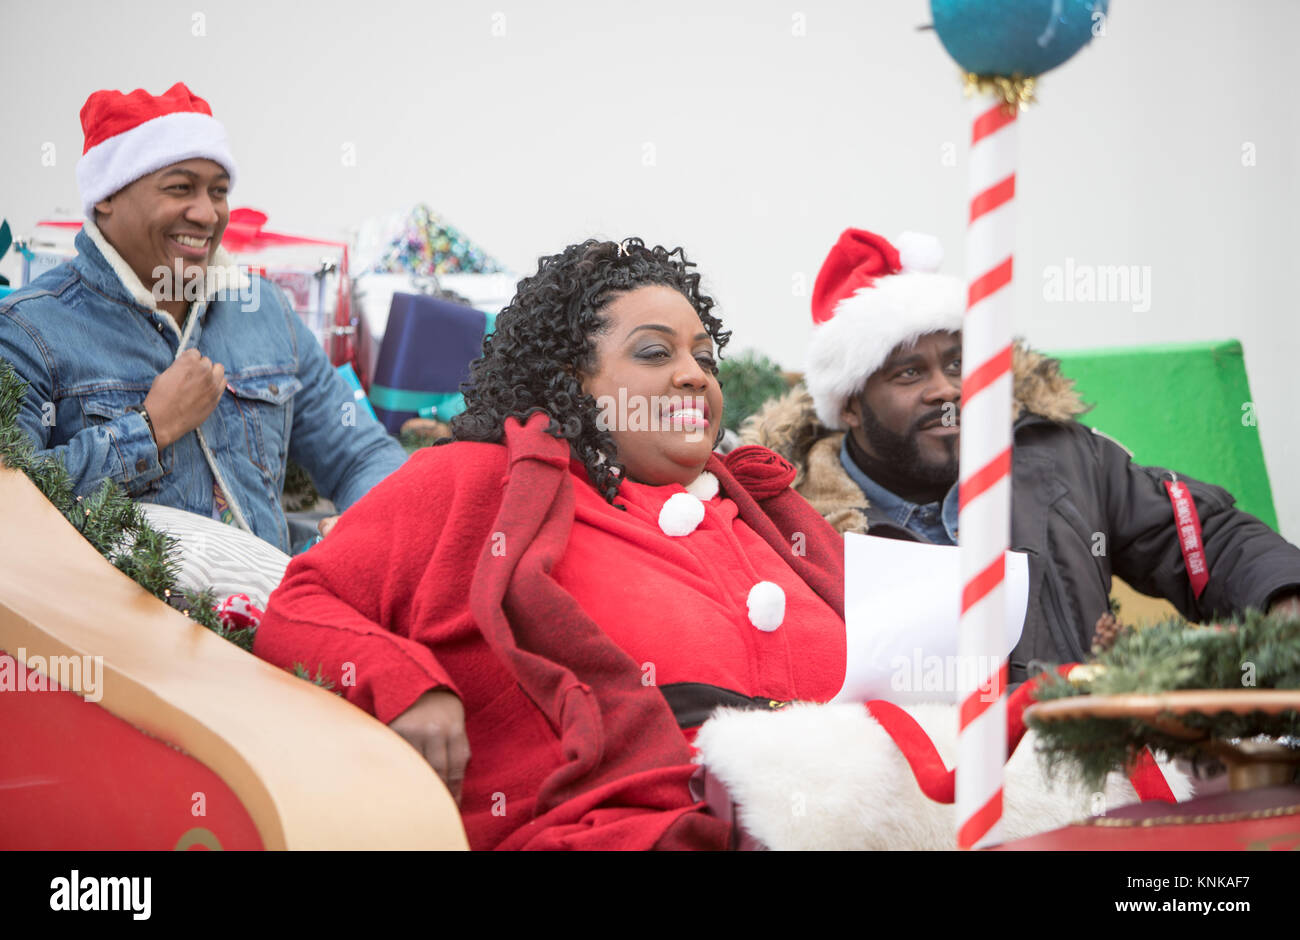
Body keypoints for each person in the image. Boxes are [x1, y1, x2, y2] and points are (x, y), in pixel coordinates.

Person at [252, 238, 849, 850]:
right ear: (572, 381)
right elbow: (301, 605)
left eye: (705, 357)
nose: (695, 374)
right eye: (654, 353)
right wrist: (405, 683)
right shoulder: (481, 481)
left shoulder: (770, 514)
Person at [742, 227, 1300, 685]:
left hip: (1084, 788)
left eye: (958, 365)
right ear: (852, 405)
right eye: (910, 372)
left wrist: (1284, 597)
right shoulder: (789, 520)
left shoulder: (1062, 458)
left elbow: (1207, 538)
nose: (947, 390)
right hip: (909, 807)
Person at [0, 83, 406, 552]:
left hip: (273, 610)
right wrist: (148, 430)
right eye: (180, 188)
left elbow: (362, 454)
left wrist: (366, 529)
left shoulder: (264, 310)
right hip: (120, 623)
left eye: (218, 191)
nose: (207, 213)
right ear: (107, 196)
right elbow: (13, 510)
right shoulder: (25, 331)